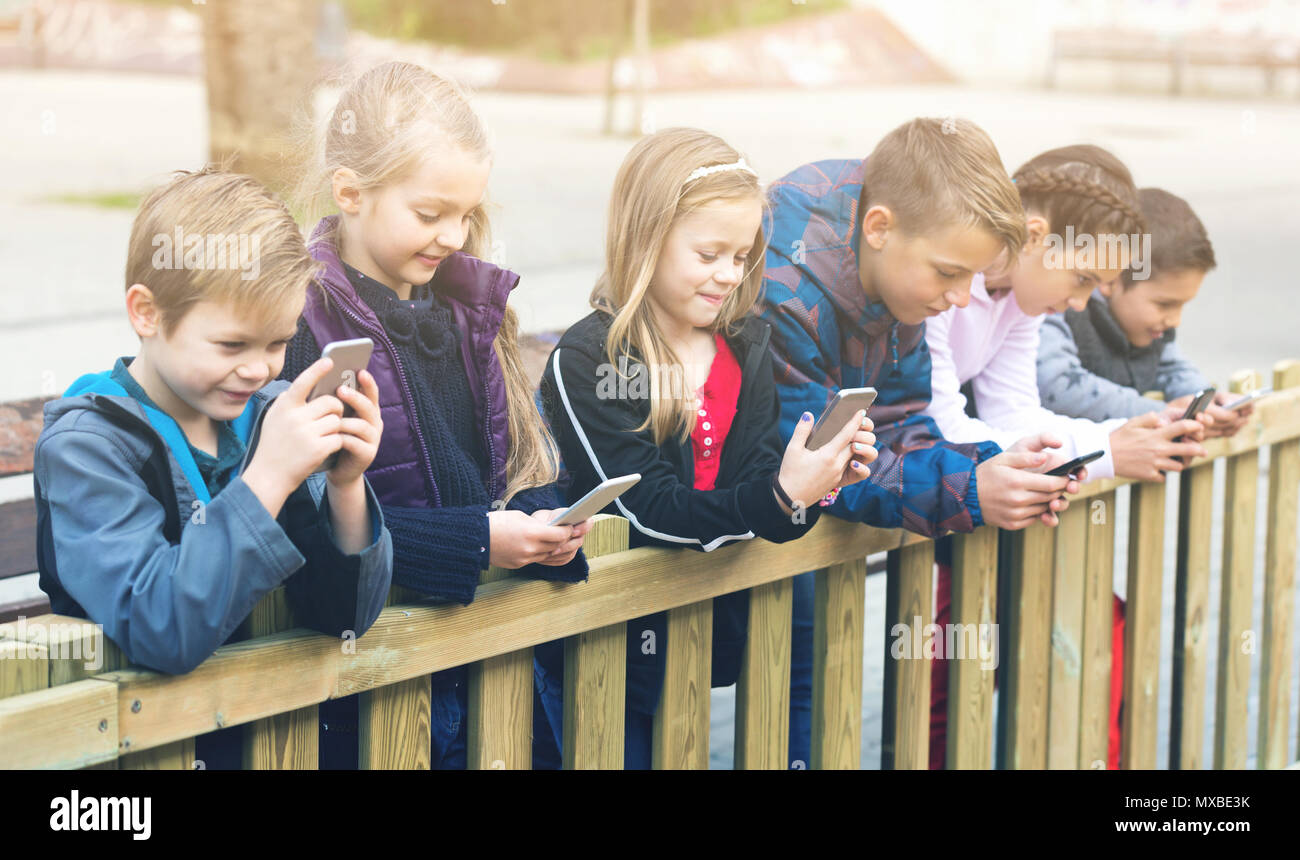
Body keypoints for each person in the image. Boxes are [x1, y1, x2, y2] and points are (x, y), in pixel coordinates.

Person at [534, 127, 876, 768]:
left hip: (701, 632)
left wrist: (819, 481)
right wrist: (778, 497)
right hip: (600, 641)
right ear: (647, 237)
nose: (729, 275)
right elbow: (648, 510)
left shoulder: (746, 342)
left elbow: (752, 480)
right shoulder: (591, 358)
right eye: (709, 253)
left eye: (742, 255)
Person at [284, 61, 590, 770]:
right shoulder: (302, 328)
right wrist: (479, 543)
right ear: (351, 191)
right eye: (430, 214)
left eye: (467, 214)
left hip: (495, 683)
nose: (453, 234)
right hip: (373, 704)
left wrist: (545, 521)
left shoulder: (471, 313)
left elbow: (518, 467)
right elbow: (306, 538)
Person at [33, 167, 393, 769]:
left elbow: (344, 617)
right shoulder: (87, 447)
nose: (258, 370)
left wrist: (345, 483)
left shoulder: (267, 417)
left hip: (275, 739)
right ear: (147, 313)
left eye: (277, 342)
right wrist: (269, 478)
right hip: (141, 750)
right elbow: (161, 626)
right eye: (231, 345)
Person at [759, 117, 1081, 768]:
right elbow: (825, 461)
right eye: (949, 273)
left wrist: (987, 470)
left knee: (810, 677)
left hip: (784, 529)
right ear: (878, 228)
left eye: (973, 277)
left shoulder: (900, 271)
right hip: (708, 525)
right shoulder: (784, 293)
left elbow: (902, 423)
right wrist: (972, 486)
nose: (963, 300)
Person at [923, 146, 1209, 769]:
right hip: (883, 500)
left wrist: (1116, 436)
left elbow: (1013, 414)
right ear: (1037, 239)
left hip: (940, 496)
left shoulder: (1018, 302)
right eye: (1082, 281)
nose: (1082, 304)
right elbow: (942, 421)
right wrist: (1105, 449)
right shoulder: (949, 286)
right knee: (932, 699)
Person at [1037, 186, 1250, 437]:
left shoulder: (1151, 331)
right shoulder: (1063, 308)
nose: (1175, 320)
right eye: (1165, 304)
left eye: (1182, 305)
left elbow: (1172, 368)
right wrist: (1160, 414)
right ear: (1111, 277)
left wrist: (1204, 402)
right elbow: (1057, 386)